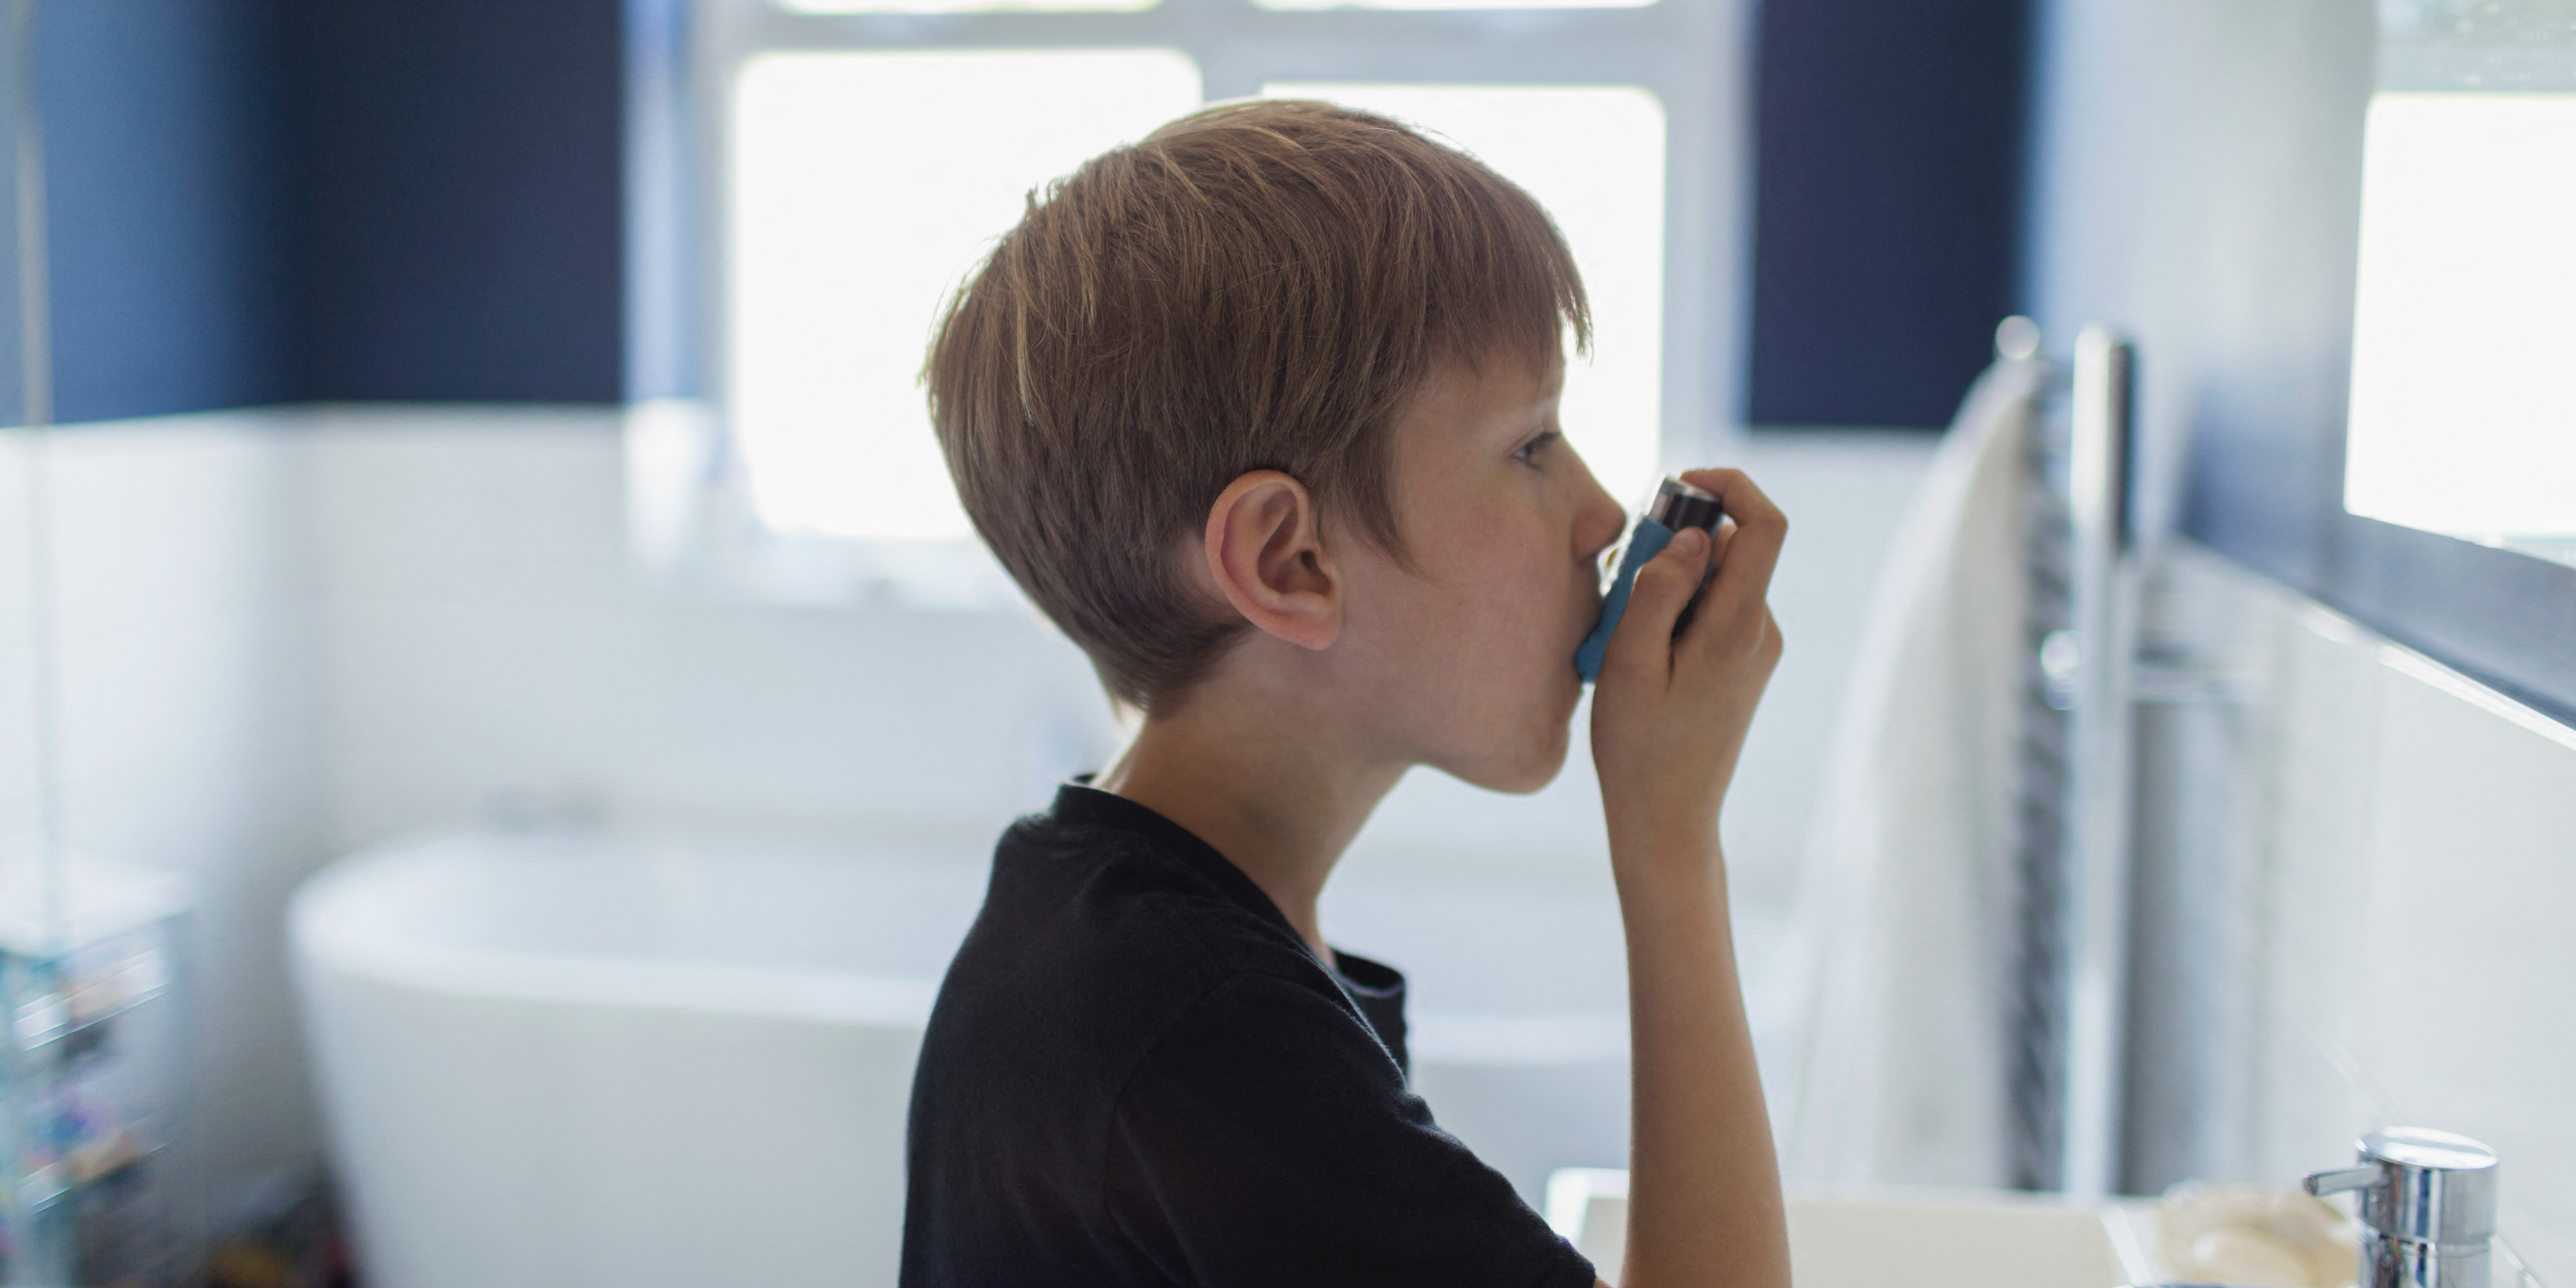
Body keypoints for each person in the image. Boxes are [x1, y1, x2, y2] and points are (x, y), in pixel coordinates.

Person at [902, 98, 1791, 1288]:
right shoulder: (1200, 1030)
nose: (1598, 515)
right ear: (1287, 563)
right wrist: (1671, 839)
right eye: (1530, 446)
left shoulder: (1134, 934)